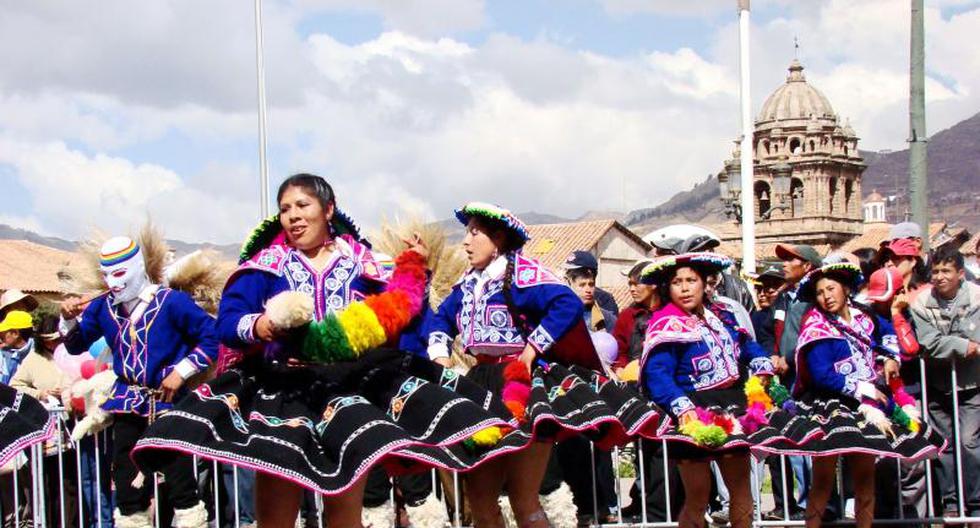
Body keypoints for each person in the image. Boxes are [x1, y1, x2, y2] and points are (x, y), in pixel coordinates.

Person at [135, 175, 512, 528]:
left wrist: (413, 269)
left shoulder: (362, 265)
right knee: (276, 514)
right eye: (285, 208)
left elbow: (400, 311)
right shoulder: (266, 267)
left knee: (344, 510)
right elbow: (227, 323)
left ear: (328, 210)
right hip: (283, 395)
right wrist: (262, 326)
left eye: (303, 205)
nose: (293, 216)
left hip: (346, 394)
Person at [425, 202, 662, 528]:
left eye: (474, 232)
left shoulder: (522, 274)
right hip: (479, 385)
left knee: (524, 498)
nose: (466, 241)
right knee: (479, 498)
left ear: (498, 237)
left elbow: (565, 302)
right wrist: (440, 354)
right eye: (467, 232)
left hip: (519, 383)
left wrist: (532, 348)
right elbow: (439, 319)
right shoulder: (469, 283)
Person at [640, 252, 814, 528]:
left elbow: (745, 344)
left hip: (733, 406)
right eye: (677, 282)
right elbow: (657, 375)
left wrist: (760, 363)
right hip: (693, 410)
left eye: (691, 280)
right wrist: (681, 408)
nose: (685, 288)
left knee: (741, 490)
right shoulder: (665, 324)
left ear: (704, 283)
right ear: (667, 287)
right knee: (697, 497)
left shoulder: (721, 316)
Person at [59, 235, 217, 528]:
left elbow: (212, 337)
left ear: (136, 267)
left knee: (181, 482)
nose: (111, 282)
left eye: (118, 274)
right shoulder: (103, 307)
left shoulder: (172, 302)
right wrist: (67, 319)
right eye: (106, 275)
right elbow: (75, 345)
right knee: (128, 482)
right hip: (127, 403)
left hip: (169, 403)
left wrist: (180, 371)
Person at [789, 263, 945, 528]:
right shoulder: (816, 329)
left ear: (846, 289)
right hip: (832, 407)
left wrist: (889, 357)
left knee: (865, 476)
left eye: (831, 289)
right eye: (820, 292)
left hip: (867, 407)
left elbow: (887, 333)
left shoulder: (865, 317)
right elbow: (820, 373)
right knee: (824, 478)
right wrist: (863, 388)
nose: (826, 296)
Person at [911, 245, 980, 519]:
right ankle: (951, 503)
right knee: (945, 445)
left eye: (946, 271)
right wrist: (961, 345)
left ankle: (975, 505)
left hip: (972, 384)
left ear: (960, 273)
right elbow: (928, 342)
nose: (939, 277)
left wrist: (959, 343)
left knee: (968, 443)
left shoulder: (976, 298)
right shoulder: (921, 303)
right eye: (936, 271)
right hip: (938, 386)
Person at [561, 250, 619, 315]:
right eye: (582, 285)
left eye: (591, 284)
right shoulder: (559, 301)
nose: (588, 290)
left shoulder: (604, 300)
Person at [1, 310, 34, 385]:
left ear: (15, 333)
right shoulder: (5, 353)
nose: (0, 335)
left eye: (3, 332)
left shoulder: (38, 354)